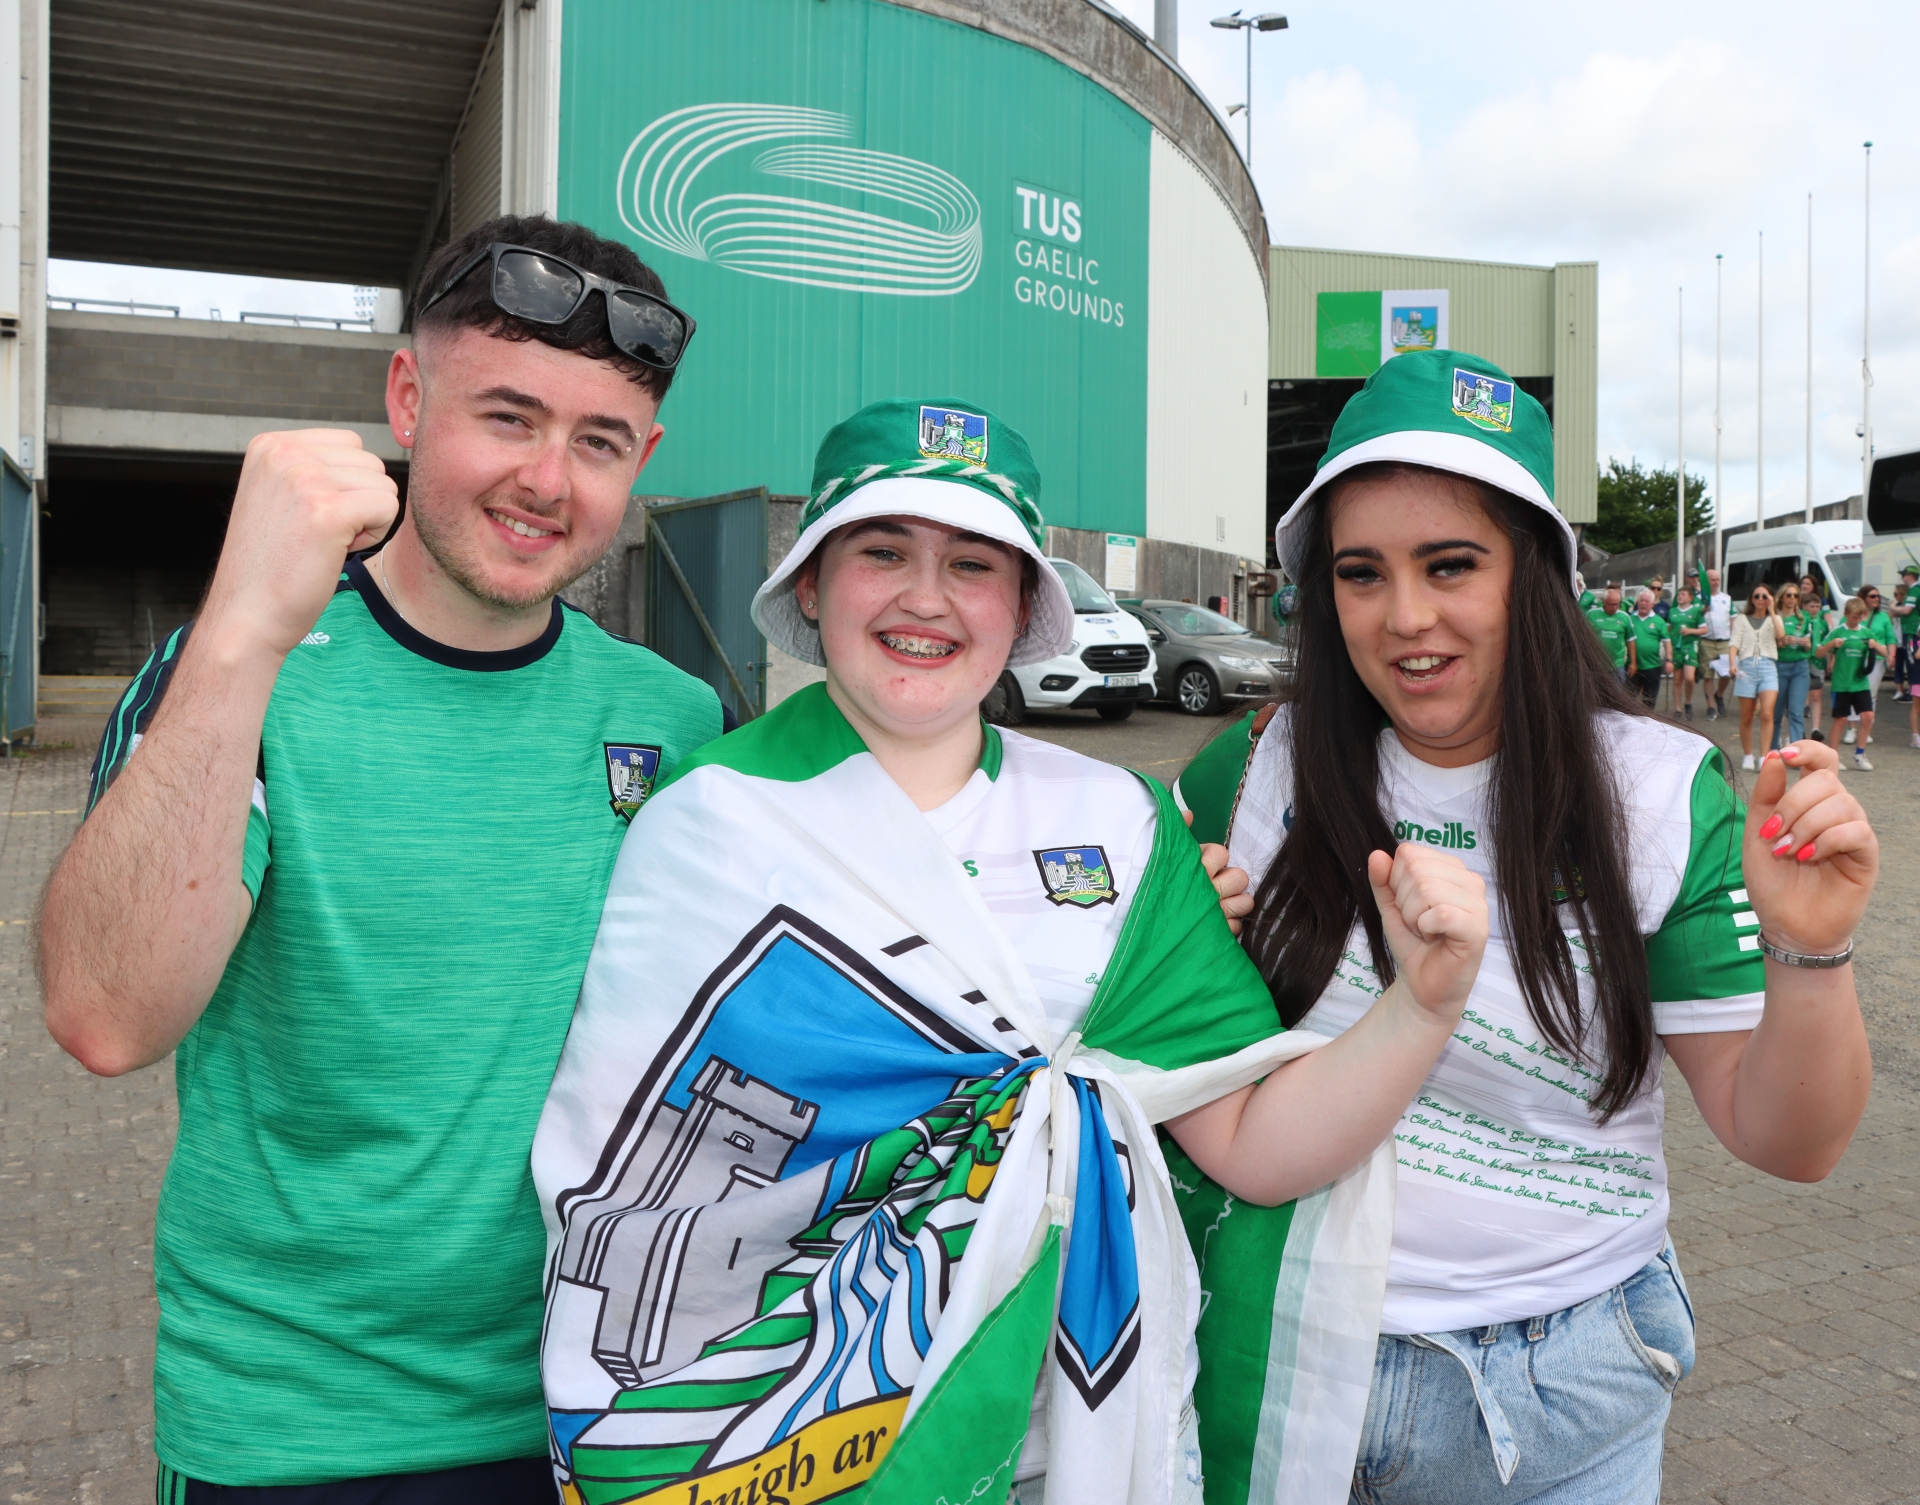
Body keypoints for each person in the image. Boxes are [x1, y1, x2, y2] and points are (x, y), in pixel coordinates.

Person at [529, 398, 1490, 1504]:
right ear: (809, 583)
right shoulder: (706, 821)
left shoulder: (1122, 823)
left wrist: (1420, 1006)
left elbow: (1251, 1144)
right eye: (882, 550)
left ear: (1025, 602)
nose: (925, 597)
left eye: (973, 564)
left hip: (1061, 1438)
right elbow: (627, 1175)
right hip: (776, 1440)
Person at [38, 216, 720, 1502]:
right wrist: (242, 625)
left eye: (599, 441)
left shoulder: (675, 716)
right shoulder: (238, 679)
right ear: (407, 397)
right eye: (507, 416)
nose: (548, 480)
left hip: (603, 1404)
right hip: (302, 1428)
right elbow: (105, 1016)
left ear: (645, 460)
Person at [1177, 349, 1875, 1505]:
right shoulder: (1251, 766)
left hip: (1564, 1387)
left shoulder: (1657, 794)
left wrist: (1815, 952)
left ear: (1535, 573)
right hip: (1271, 1350)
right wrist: (1181, 929)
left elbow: (1787, 1140)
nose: (1407, 617)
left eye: (1452, 564)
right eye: (1362, 572)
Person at [1821, 594, 1890, 772]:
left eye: (1860, 617)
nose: (1857, 620)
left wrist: (1875, 645)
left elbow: (1884, 651)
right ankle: (1834, 756)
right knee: (1841, 720)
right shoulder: (1838, 631)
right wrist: (1831, 645)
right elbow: (1818, 652)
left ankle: (1860, 754)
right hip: (1842, 683)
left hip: (1860, 683)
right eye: (1854, 617)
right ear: (1846, 614)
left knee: (1868, 716)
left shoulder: (1866, 632)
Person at [1731, 583, 1781, 772]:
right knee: (1747, 716)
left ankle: (1764, 756)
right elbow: (1735, 642)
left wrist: (1773, 610)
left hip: (1768, 667)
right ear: (1752, 599)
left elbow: (1781, 634)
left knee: (1767, 713)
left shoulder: (1773, 618)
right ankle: (1748, 755)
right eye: (1757, 596)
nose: (1761, 599)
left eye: (1765, 596)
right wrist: (1732, 662)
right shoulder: (1742, 619)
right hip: (1746, 667)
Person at [1772, 584, 1820, 749]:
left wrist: (1806, 644)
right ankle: (1773, 748)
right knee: (1776, 713)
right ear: (1782, 597)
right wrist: (1781, 642)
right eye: (1789, 595)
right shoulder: (1775, 617)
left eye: (1795, 596)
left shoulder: (1804, 618)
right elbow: (1767, 644)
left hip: (1800, 667)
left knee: (1796, 712)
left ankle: (1796, 751)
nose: (1792, 598)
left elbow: (1810, 646)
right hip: (1779, 667)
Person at [1696, 562, 1734, 718]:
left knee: (1726, 674)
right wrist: (1702, 608)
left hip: (1724, 642)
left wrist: (1734, 639)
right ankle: (1711, 707)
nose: (1716, 582)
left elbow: (1733, 619)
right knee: (1708, 675)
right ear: (1706, 581)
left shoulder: (1727, 598)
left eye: (1718, 579)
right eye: (1713, 580)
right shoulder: (1699, 599)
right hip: (1706, 641)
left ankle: (1719, 695)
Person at [1626, 587, 1670, 710]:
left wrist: (1670, 660)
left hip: (1652, 667)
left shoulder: (1659, 621)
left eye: (1646, 601)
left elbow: (1667, 642)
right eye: (1641, 601)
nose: (1643, 603)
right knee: (1628, 700)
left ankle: (1646, 726)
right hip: (1633, 666)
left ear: (1652, 604)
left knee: (1649, 702)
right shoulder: (1629, 618)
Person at [1669, 582, 1706, 720]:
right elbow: (1668, 629)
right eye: (1679, 594)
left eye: (1683, 594)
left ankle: (1688, 703)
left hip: (1690, 646)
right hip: (1676, 648)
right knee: (1677, 679)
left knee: (1690, 679)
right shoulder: (1672, 611)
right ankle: (1678, 708)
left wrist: (1690, 631)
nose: (1680, 596)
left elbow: (1704, 629)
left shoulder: (1696, 611)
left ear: (1690, 597)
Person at [1588, 583, 1630, 680]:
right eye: (1611, 604)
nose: (1614, 607)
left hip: (1617, 664)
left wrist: (1632, 661)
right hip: (1596, 663)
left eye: (1617, 604)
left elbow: (1631, 639)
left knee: (1617, 692)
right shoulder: (1591, 614)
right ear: (1604, 601)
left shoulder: (1625, 617)